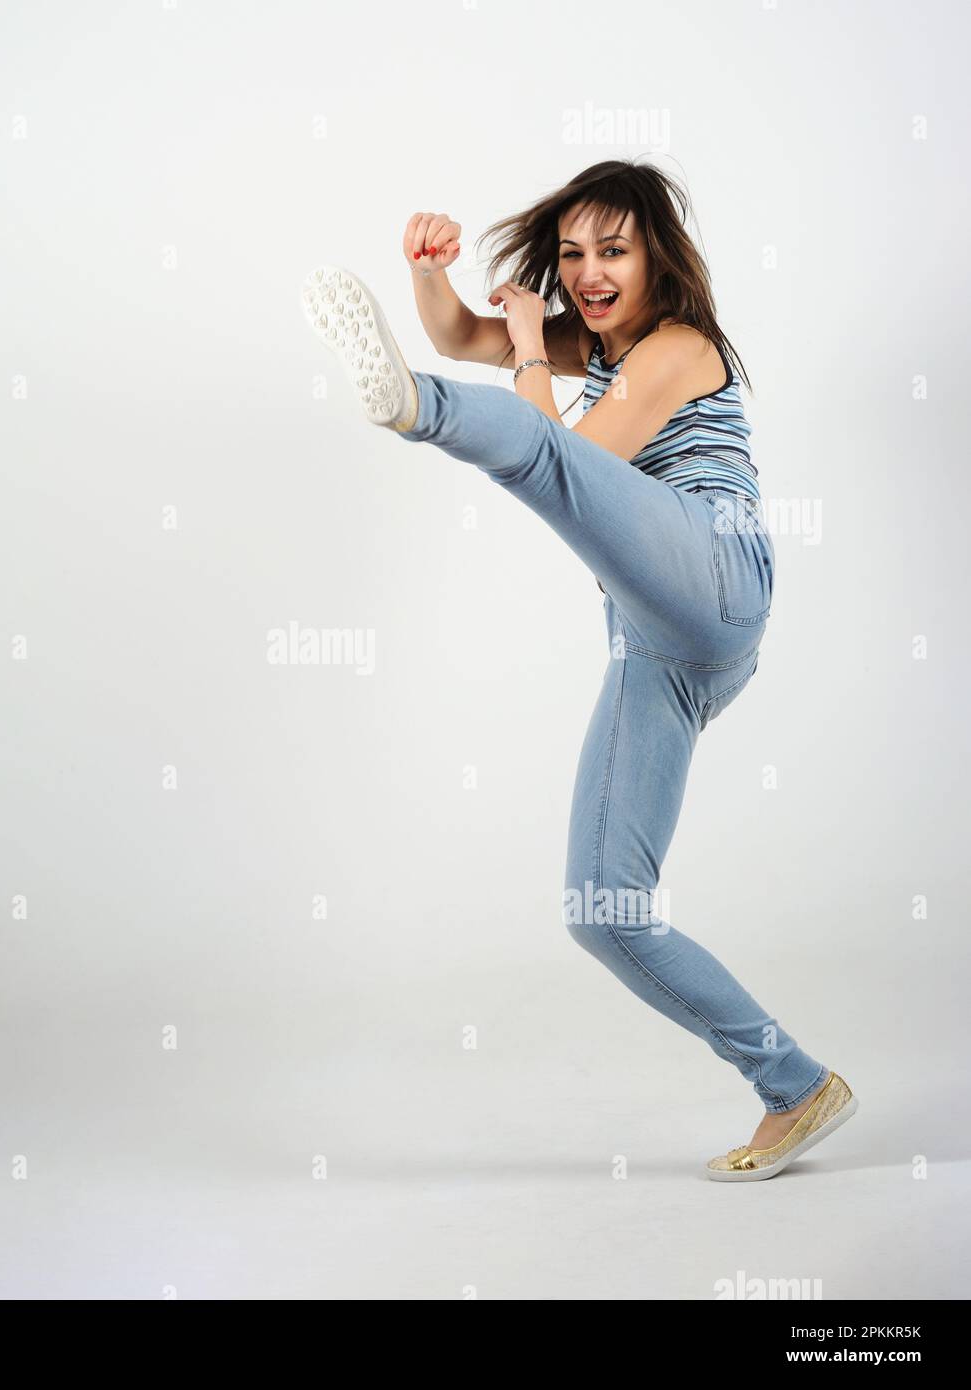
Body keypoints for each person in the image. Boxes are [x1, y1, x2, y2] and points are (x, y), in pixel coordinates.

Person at [299, 159, 857, 1181]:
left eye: (614, 250)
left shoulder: (676, 348)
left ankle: (408, 410)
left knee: (536, 449)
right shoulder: (589, 341)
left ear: (657, 258)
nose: (590, 272)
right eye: (572, 254)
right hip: (662, 642)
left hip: (717, 571)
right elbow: (459, 332)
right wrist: (431, 273)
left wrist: (511, 363)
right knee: (601, 905)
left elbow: (569, 454)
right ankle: (792, 1082)